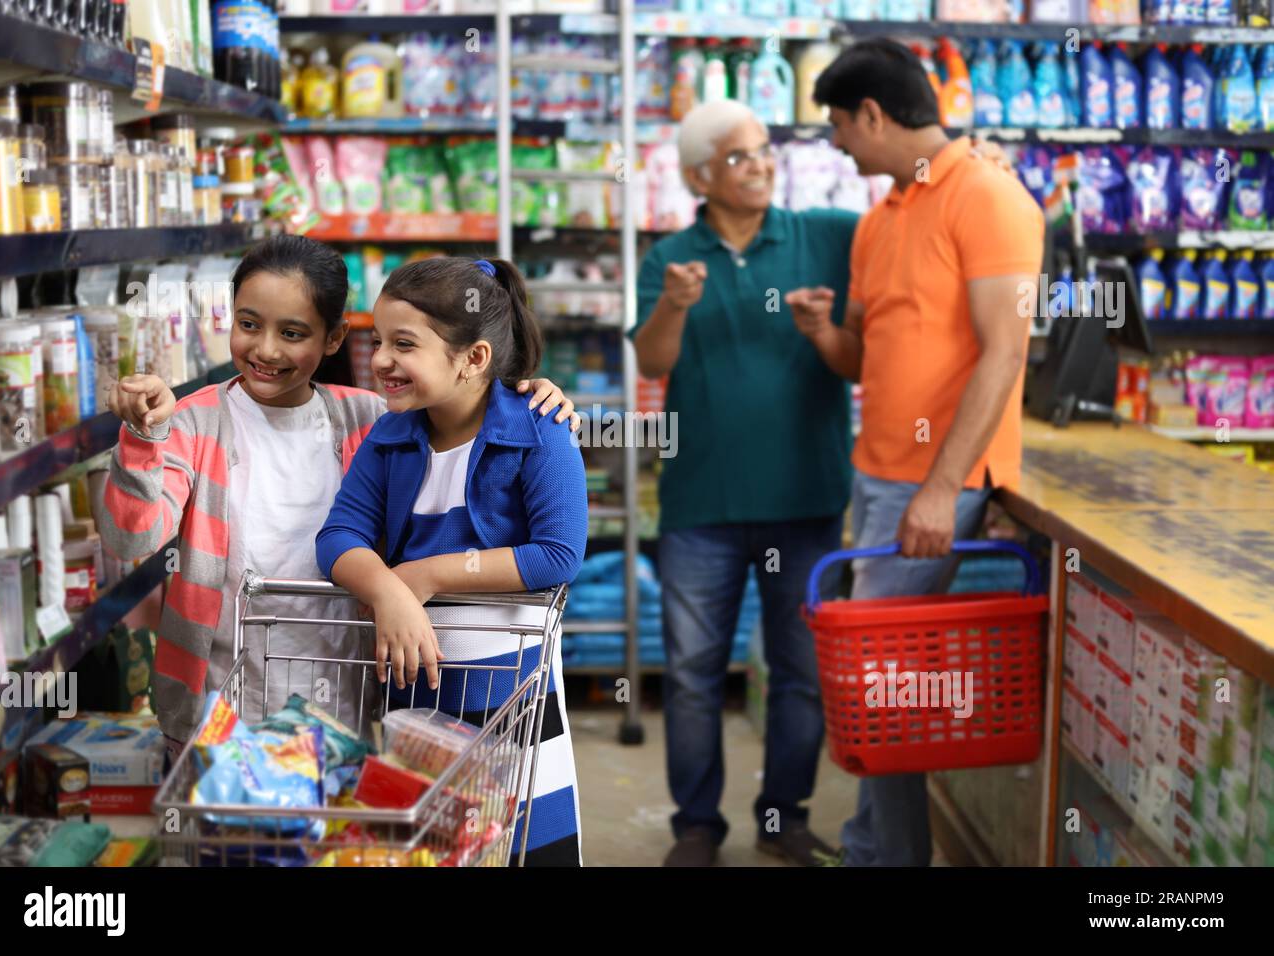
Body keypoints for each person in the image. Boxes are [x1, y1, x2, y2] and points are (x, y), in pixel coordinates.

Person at [100, 235, 579, 761]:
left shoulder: (373, 418)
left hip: (342, 693)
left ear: (333, 339)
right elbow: (132, 539)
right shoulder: (193, 422)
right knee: (224, 836)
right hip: (219, 694)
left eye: (293, 332)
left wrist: (528, 396)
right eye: (248, 324)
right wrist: (147, 437)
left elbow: (462, 404)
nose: (266, 349)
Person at [801, 38, 1044, 866]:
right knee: (880, 682)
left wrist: (942, 490)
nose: (837, 143)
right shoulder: (880, 219)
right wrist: (821, 333)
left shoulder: (990, 196)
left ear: (873, 114)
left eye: (839, 125)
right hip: (877, 475)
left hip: (934, 483)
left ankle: (883, 855)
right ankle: (881, 845)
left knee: (879, 685)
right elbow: (865, 359)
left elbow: (1004, 354)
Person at [631, 100, 859, 867]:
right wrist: (673, 303)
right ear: (699, 175)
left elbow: (858, 354)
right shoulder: (669, 257)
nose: (761, 163)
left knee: (800, 671)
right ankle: (696, 827)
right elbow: (653, 363)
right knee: (694, 673)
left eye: (764, 150)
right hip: (703, 503)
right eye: (739, 156)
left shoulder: (827, 234)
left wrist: (824, 331)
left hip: (806, 497)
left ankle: (782, 817)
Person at [316, 257, 588, 867]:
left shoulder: (540, 432)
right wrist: (386, 592)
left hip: (512, 695)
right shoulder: (389, 440)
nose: (381, 358)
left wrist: (430, 574)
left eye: (404, 344)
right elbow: (338, 535)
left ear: (475, 358)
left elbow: (557, 554)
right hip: (414, 690)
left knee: (518, 839)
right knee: (423, 843)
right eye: (379, 341)